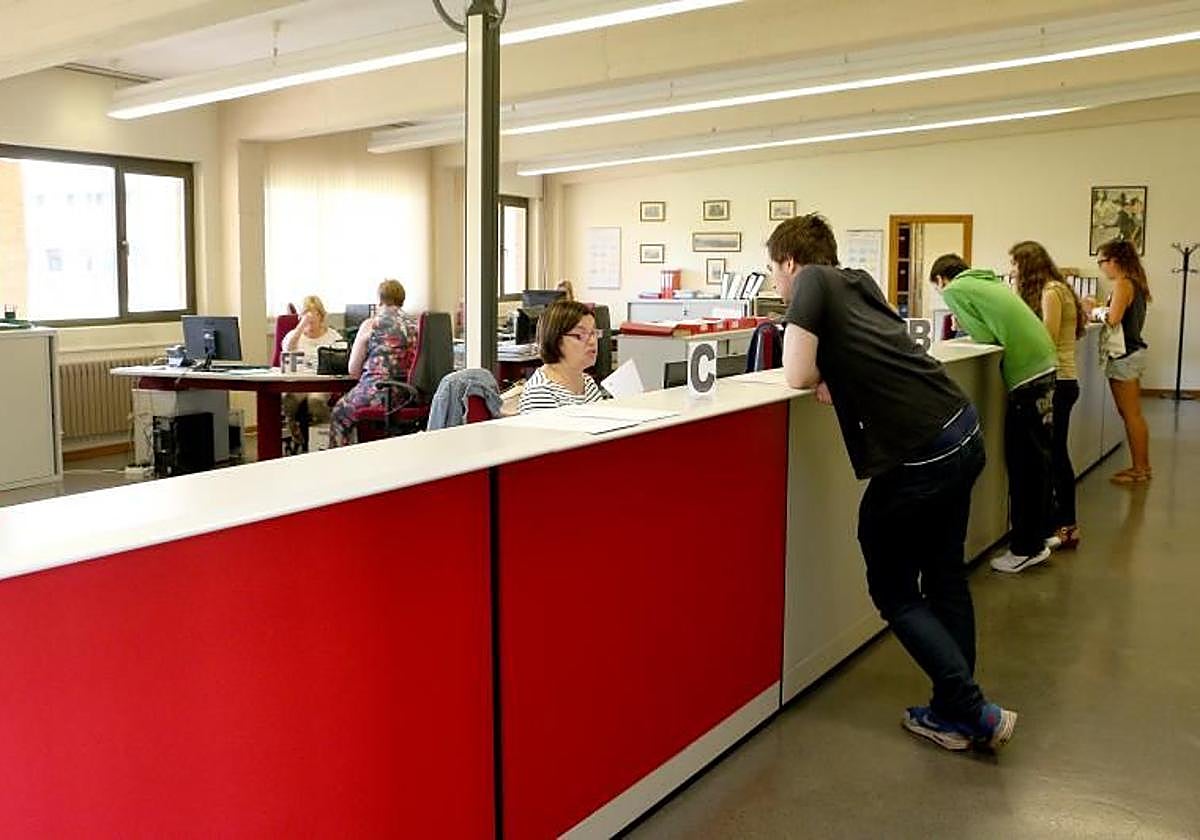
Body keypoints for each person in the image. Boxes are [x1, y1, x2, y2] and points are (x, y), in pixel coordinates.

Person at [772, 214, 1015, 752]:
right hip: (959, 428)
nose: (776, 286)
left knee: (894, 586)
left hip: (920, 454)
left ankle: (973, 710)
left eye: (775, 272)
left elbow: (795, 374)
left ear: (791, 262)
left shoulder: (811, 281)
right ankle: (954, 713)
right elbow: (874, 351)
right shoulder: (860, 280)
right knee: (945, 575)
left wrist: (822, 373)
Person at [931, 254, 1057, 574]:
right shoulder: (989, 282)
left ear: (942, 279)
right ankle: (1042, 532)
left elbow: (984, 337)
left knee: (1023, 462)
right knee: (1038, 459)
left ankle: (1026, 548)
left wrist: (964, 323)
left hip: (1025, 375)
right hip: (1044, 365)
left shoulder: (955, 290)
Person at [1011, 242, 1085, 549]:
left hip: (1059, 382)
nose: (1012, 270)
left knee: (1054, 455)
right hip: (1064, 380)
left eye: (1015, 264)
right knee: (1054, 453)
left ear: (1027, 265)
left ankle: (1066, 524)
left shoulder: (1052, 292)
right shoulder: (1058, 288)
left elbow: (1046, 338)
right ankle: (1057, 521)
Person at [1087, 238, 1151, 483]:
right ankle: (1142, 467)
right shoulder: (1132, 283)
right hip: (1129, 355)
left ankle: (1140, 470)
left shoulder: (1124, 284)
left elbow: (1113, 319)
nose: (1101, 267)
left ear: (1114, 261)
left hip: (1125, 357)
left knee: (1131, 414)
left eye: (1101, 261)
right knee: (1132, 414)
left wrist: (1092, 310)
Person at [329, 279, 417, 447]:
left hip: (377, 391)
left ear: (379, 300)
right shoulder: (415, 324)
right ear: (402, 300)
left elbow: (353, 370)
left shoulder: (371, 324)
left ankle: (339, 466)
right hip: (407, 395)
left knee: (340, 412)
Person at [518, 300, 608, 412]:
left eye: (593, 333)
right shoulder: (541, 392)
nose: (592, 342)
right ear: (555, 339)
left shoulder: (587, 382)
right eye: (580, 335)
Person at [280, 295, 343, 451]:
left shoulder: (333, 337)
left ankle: (323, 441)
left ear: (322, 317)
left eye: (313, 320)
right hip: (299, 383)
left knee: (315, 401)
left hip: (321, 383)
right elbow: (287, 348)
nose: (310, 325)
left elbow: (343, 359)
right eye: (306, 319)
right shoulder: (294, 336)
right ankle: (293, 427)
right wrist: (301, 325)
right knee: (289, 399)